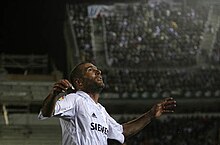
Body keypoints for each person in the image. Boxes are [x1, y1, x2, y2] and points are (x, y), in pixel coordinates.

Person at [38, 62, 176, 145]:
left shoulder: (101, 110)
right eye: (90, 70)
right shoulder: (75, 99)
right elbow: (46, 112)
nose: (98, 71)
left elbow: (122, 131)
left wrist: (150, 114)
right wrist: (55, 94)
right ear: (79, 82)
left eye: (97, 69)